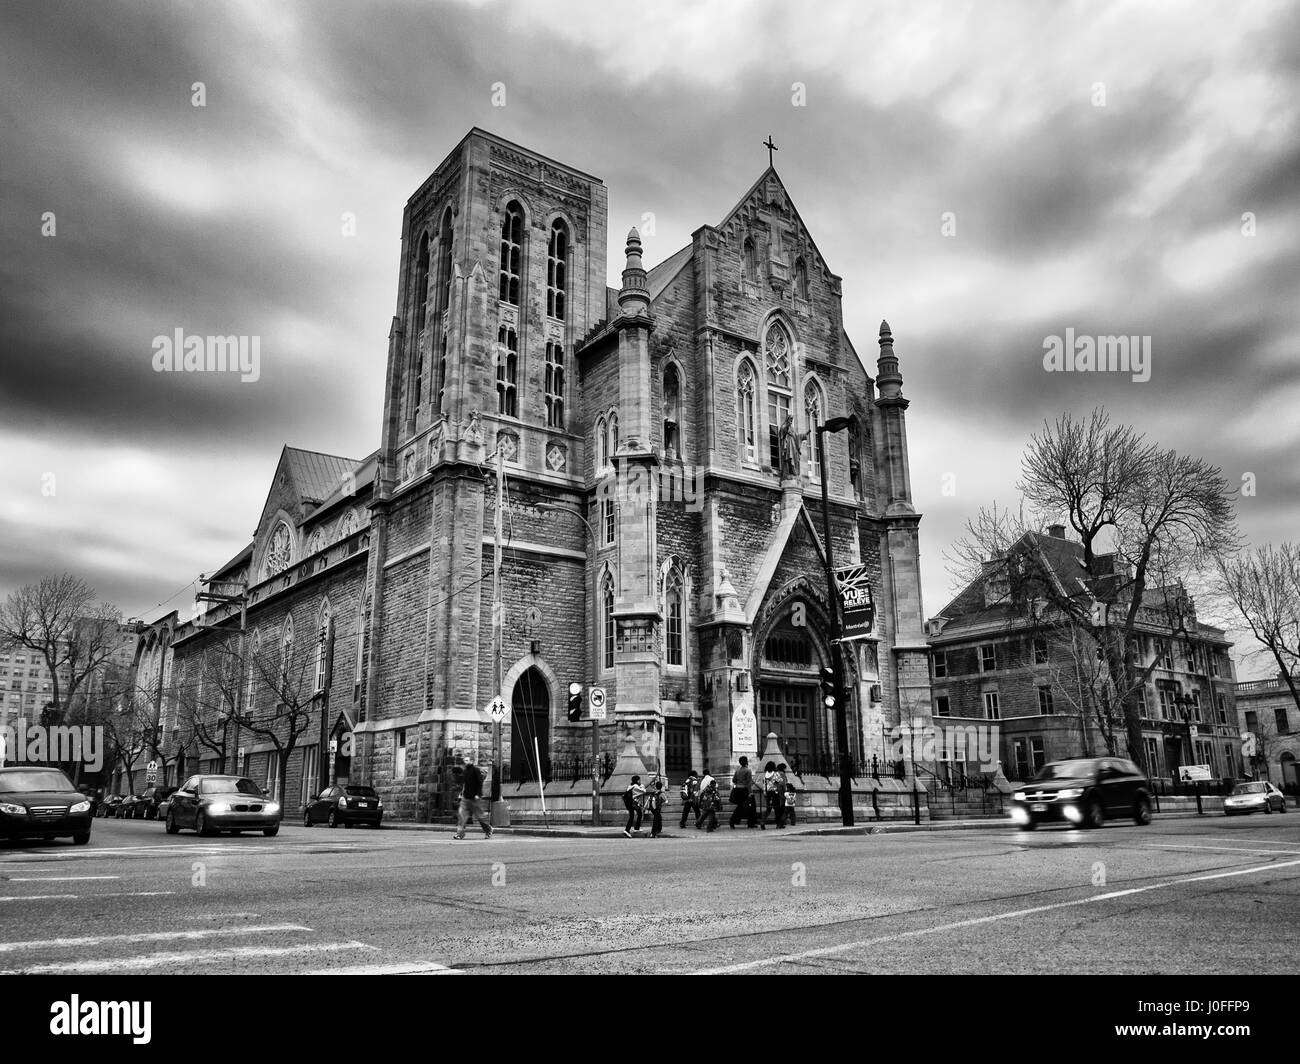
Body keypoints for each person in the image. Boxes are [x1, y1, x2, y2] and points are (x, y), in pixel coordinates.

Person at [453, 754, 493, 840]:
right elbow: (465, 785)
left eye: (467, 760)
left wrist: (478, 794)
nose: (465, 762)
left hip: (474, 798)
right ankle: (460, 834)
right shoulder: (465, 771)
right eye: (465, 760)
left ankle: (488, 829)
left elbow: (480, 783)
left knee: (480, 817)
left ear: (471, 761)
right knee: (461, 816)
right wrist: (461, 793)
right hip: (465, 798)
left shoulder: (476, 770)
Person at [729, 756, 758, 829]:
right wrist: (750, 792)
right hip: (745, 790)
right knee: (751, 807)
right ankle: (751, 823)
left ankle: (733, 820)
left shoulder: (737, 771)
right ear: (746, 762)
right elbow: (749, 783)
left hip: (738, 790)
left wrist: (740, 781)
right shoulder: (748, 771)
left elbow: (734, 780)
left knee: (740, 806)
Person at [762, 761, 786, 828]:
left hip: (768, 793)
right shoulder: (775, 774)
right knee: (777, 809)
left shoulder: (765, 775)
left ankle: (762, 822)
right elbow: (781, 782)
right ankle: (778, 824)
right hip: (775, 793)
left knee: (768, 809)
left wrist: (765, 792)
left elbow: (764, 785)